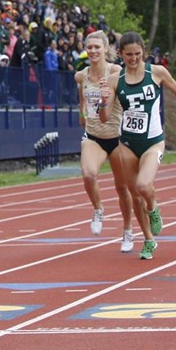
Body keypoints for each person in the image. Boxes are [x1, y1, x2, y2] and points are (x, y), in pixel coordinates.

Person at [101, 31, 176, 261]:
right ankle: (149, 240)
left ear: (144, 53)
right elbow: (105, 117)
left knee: (143, 186)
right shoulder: (115, 80)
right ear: (120, 54)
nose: (133, 59)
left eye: (138, 54)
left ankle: (153, 207)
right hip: (128, 142)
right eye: (128, 54)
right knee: (134, 194)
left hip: (153, 141)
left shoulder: (156, 72)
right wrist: (102, 101)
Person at [75, 30, 135, 252]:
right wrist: (82, 114)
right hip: (94, 136)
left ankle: (128, 230)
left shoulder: (116, 71)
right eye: (89, 47)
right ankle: (98, 208)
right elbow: (81, 99)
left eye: (96, 47)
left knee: (122, 187)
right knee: (89, 174)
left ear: (105, 49)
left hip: (118, 138)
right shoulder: (81, 76)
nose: (92, 51)